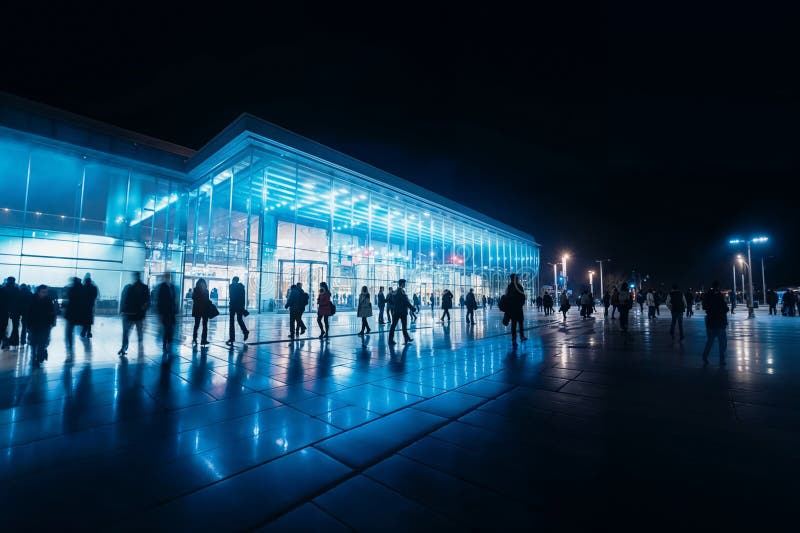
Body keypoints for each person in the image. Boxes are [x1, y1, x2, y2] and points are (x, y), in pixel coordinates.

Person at [118, 272, 150, 356]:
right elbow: (147, 302)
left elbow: (126, 301)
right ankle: (140, 348)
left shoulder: (130, 287)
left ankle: (124, 347)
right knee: (139, 332)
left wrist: (122, 310)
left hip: (131, 314)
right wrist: (143, 309)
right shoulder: (144, 287)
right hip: (139, 315)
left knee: (126, 332)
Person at [27, 285, 56, 368]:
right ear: (38, 292)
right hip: (34, 325)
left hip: (45, 325)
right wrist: (28, 325)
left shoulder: (48, 300)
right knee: (34, 343)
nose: (45, 294)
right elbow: (29, 313)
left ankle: (39, 357)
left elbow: (51, 313)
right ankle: (36, 358)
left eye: (46, 292)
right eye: (43, 292)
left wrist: (51, 322)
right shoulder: (32, 300)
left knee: (42, 343)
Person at [702, 280, 729, 365]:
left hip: (710, 321)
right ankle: (722, 359)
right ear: (718, 287)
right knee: (722, 342)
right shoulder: (720, 296)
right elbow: (726, 308)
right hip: (720, 322)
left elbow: (704, 306)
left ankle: (705, 356)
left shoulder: (708, 295)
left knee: (710, 341)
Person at [500, 274, 527, 347]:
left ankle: (514, 339)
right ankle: (521, 337)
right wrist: (521, 303)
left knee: (513, 325)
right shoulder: (519, 287)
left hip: (511, 310)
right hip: (518, 309)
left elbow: (506, 297)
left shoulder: (509, 287)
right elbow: (523, 297)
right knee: (520, 323)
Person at [156, 272, 178, 355]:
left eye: (169, 276)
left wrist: (175, 308)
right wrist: (160, 313)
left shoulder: (172, 286)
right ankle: (165, 344)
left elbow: (174, 298)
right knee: (166, 328)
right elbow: (160, 300)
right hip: (165, 312)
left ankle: (169, 342)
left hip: (171, 312)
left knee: (171, 327)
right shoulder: (162, 287)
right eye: (167, 276)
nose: (169, 278)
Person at [388, 279, 413, 345]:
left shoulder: (395, 291)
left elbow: (390, 300)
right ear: (402, 284)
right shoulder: (401, 291)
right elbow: (406, 301)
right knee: (403, 326)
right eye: (404, 283)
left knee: (393, 325)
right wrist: (412, 308)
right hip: (402, 311)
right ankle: (405, 338)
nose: (405, 284)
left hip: (396, 311)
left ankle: (406, 338)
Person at [227, 276, 249, 345]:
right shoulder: (242, 287)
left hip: (233, 306)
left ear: (233, 280)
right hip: (239, 306)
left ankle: (232, 338)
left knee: (231, 322)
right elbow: (243, 298)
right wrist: (242, 307)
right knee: (239, 320)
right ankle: (245, 331)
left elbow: (231, 296)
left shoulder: (231, 286)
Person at [63, 277, 84, 350]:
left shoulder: (72, 289)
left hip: (71, 312)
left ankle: (70, 344)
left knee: (69, 330)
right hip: (77, 313)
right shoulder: (82, 289)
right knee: (71, 329)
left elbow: (69, 298)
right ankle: (71, 344)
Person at [191, 278, 211, 346]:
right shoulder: (204, 290)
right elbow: (194, 298)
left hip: (199, 309)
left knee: (199, 325)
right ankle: (201, 339)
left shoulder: (197, 290)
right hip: (202, 310)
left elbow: (194, 298)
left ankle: (197, 338)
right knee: (201, 325)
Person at [79, 273, 98, 339]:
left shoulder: (83, 287)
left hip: (84, 306)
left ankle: (84, 332)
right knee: (89, 320)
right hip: (90, 305)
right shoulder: (94, 288)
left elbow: (81, 296)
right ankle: (88, 333)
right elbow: (95, 295)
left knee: (85, 320)